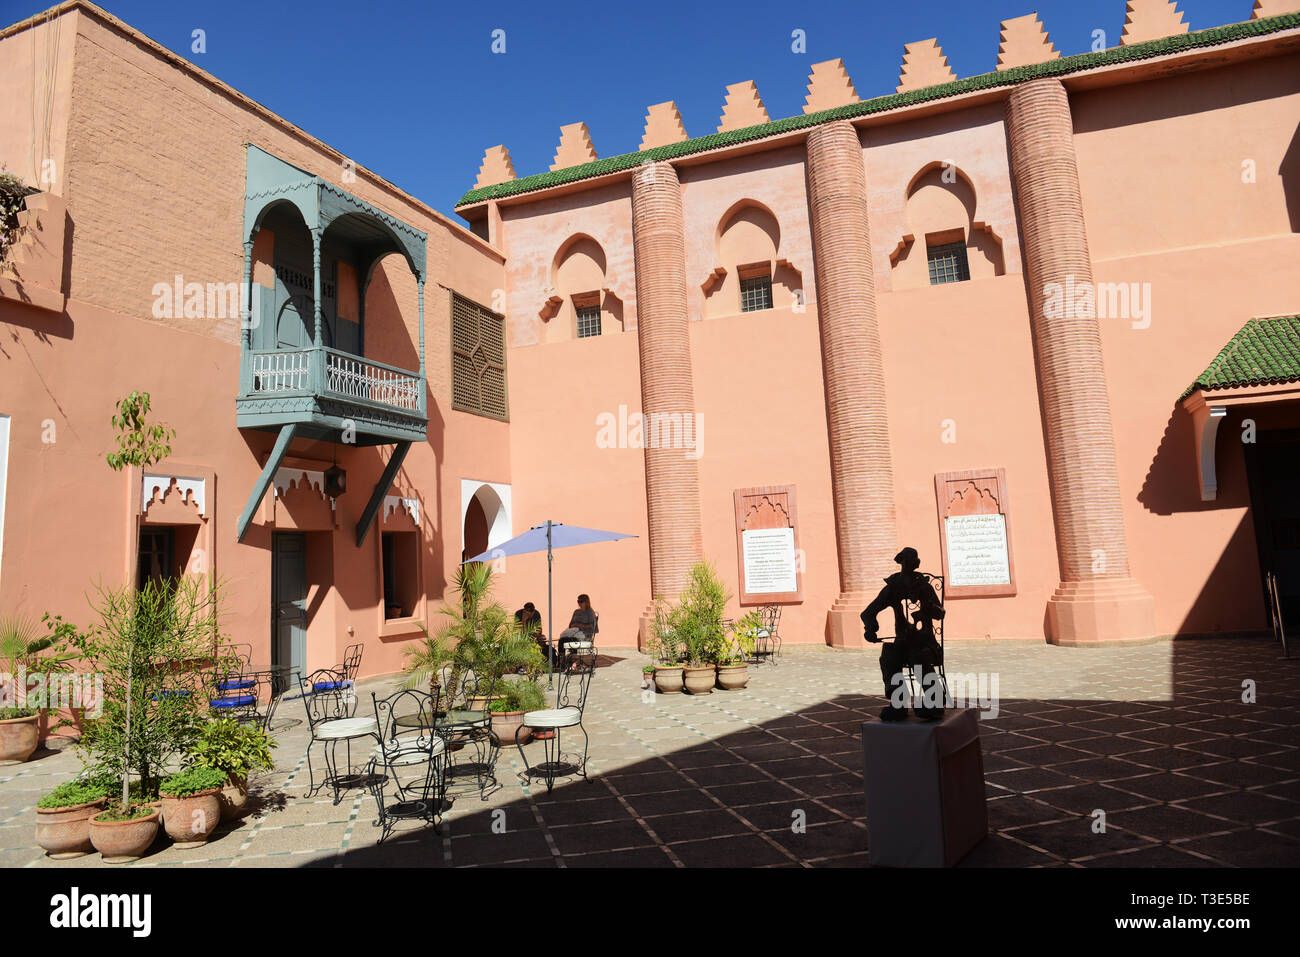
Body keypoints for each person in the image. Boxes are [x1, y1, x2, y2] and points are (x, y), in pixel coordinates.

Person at [861, 547, 946, 722]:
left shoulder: (924, 587)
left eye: (911, 561)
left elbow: (940, 613)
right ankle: (898, 704)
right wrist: (870, 628)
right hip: (902, 641)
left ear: (915, 564)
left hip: (925, 642)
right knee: (888, 657)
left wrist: (927, 609)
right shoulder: (893, 588)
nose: (908, 564)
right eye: (905, 561)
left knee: (918, 657)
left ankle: (935, 701)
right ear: (901, 562)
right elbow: (868, 612)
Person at [559, 594, 599, 661]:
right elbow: (570, 624)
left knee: (573, 640)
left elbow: (592, 627)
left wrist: (580, 625)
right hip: (574, 632)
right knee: (562, 640)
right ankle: (561, 660)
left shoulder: (590, 612)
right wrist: (573, 625)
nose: (579, 603)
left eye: (581, 601)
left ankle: (574, 661)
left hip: (585, 634)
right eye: (578, 601)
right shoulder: (576, 612)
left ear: (586, 602)